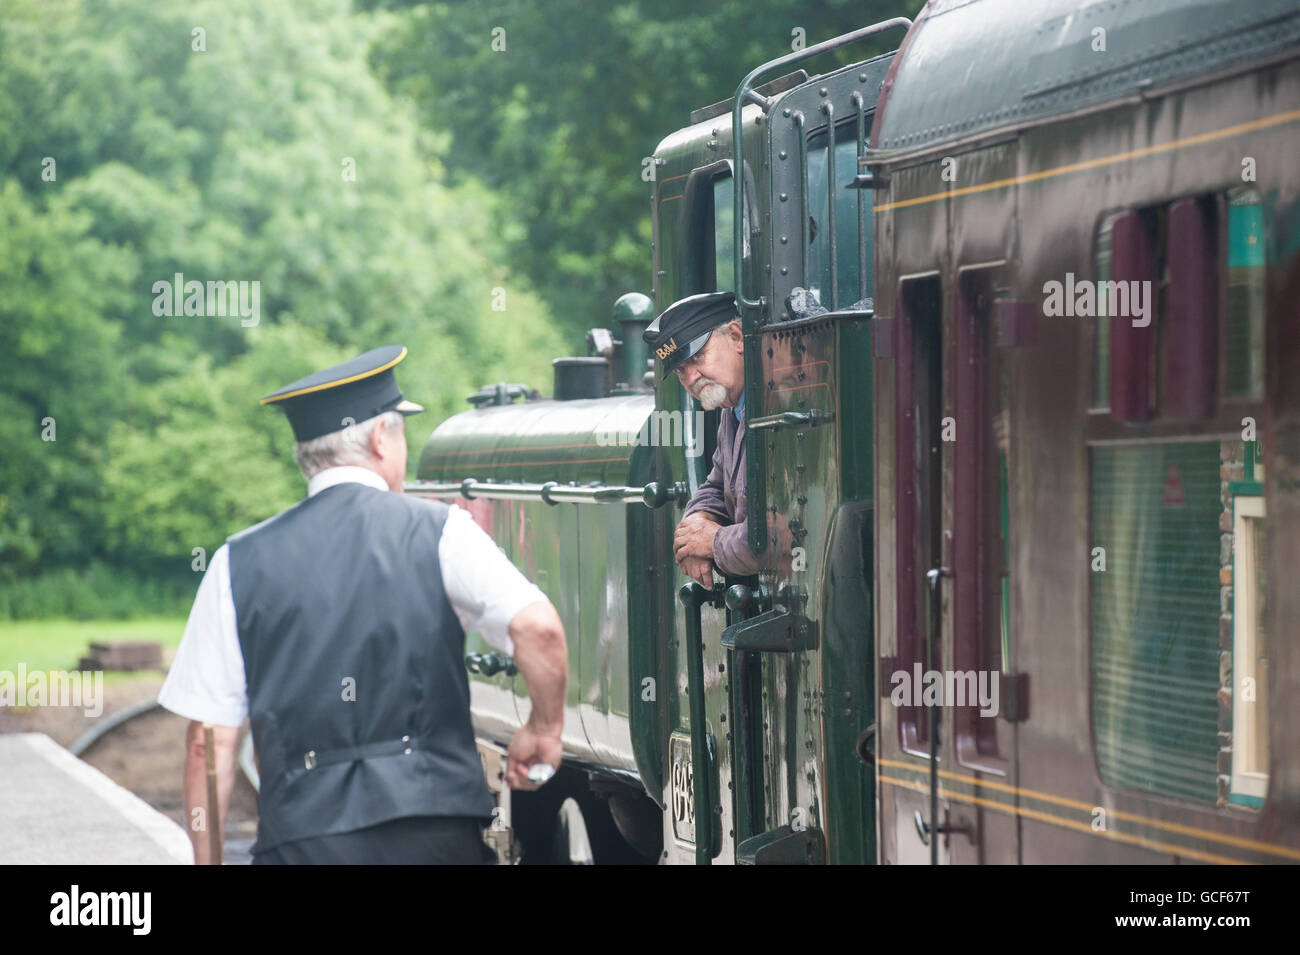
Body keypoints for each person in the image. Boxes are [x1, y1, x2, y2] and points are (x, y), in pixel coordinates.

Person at [157, 344, 568, 865]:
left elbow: (208, 744)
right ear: (379, 437)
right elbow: (539, 628)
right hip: (433, 837)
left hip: (303, 842)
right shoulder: (441, 533)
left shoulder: (235, 562)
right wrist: (544, 728)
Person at [643, 292, 762, 586]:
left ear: (737, 337)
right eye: (681, 370)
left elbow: (785, 538)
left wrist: (713, 542)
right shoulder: (732, 410)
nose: (692, 377)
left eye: (698, 357)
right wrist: (696, 524)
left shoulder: (778, 402)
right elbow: (716, 485)